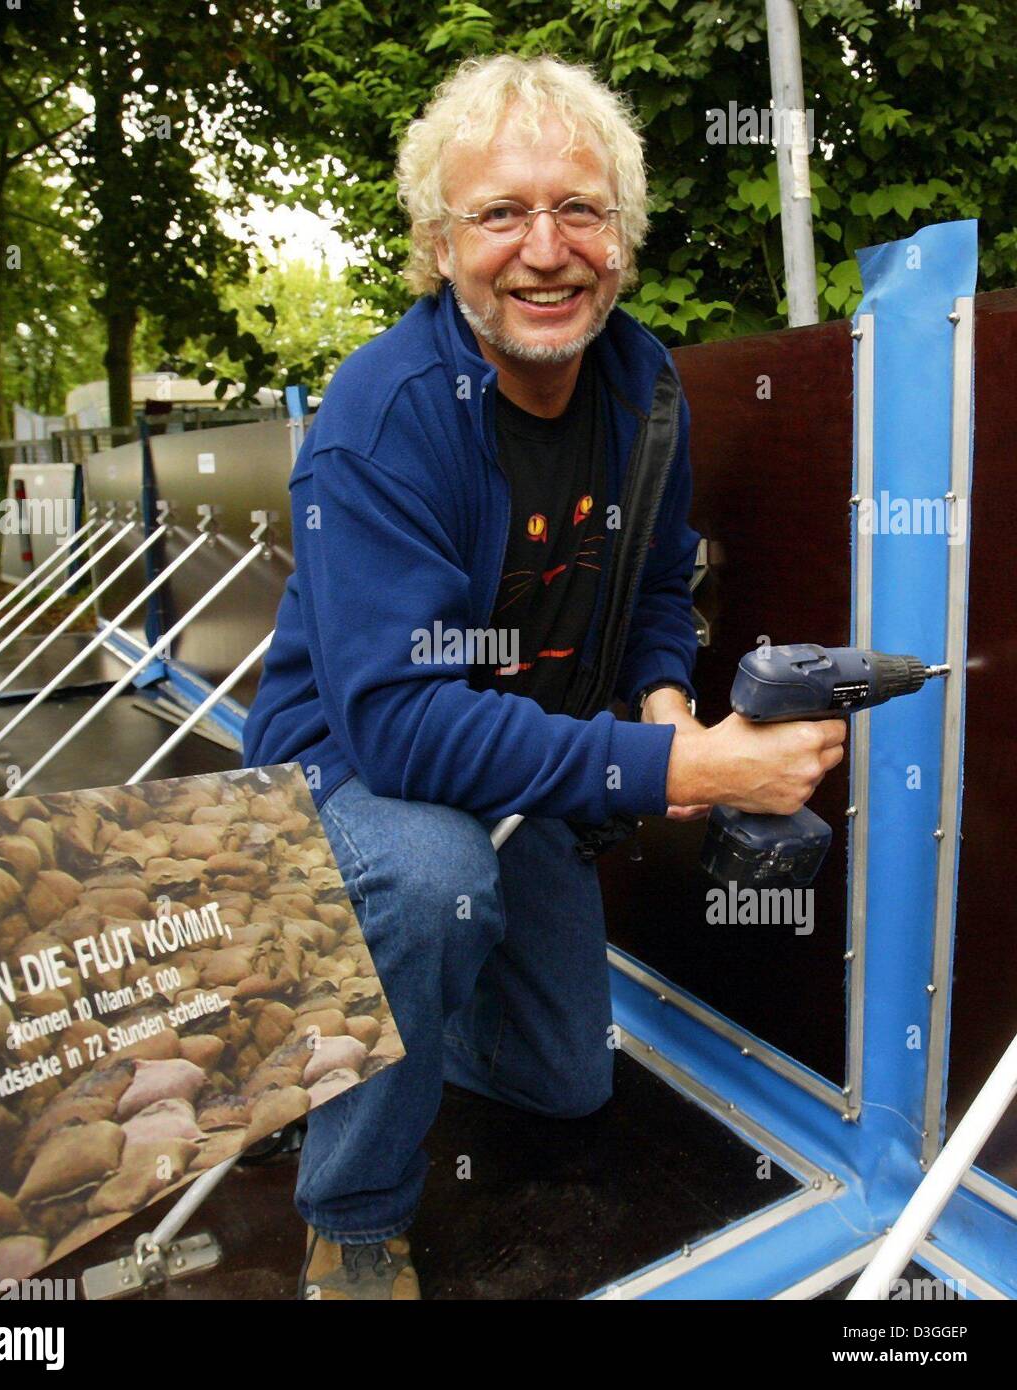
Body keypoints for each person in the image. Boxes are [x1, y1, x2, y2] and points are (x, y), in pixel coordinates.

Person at [243, 52, 846, 1301]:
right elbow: (403, 730)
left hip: (514, 770)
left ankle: (359, 1018)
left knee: (569, 1075)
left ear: (620, 235)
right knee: (428, 877)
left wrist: (669, 696)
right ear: (436, 244)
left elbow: (664, 586)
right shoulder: (378, 418)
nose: (544, 249)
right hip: (348, 773)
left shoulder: (646, 389)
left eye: (579, 208)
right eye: (500, 213)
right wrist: (686, 760)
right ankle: (352, 1213)